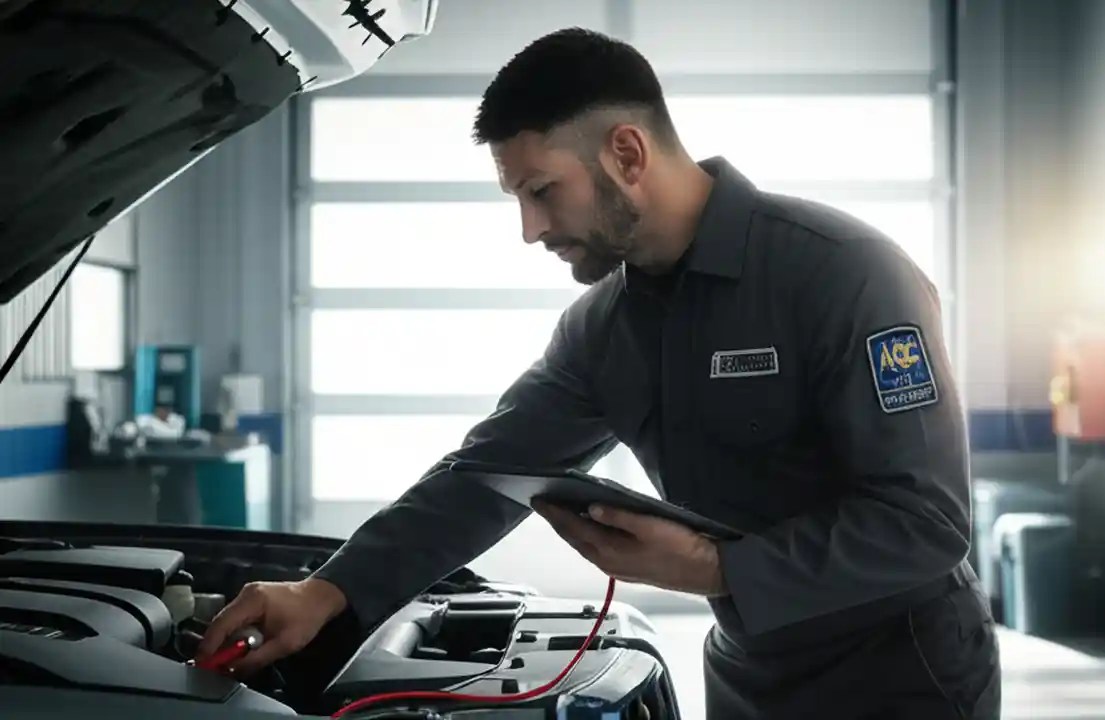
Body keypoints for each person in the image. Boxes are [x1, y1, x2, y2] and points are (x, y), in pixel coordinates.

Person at [199, 27, 1001, 718]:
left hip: (899, 671)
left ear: (626, 153)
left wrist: (715, 568)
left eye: (543, 191)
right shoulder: (602, 328)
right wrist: (327, 590)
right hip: (751, 669)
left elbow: (925, 523)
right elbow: (484, 476)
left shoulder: (846, 274)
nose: (529, 228)